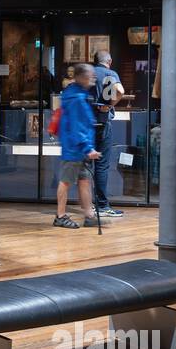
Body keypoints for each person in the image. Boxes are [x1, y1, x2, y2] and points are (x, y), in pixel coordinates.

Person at [54, 62, 102, 229]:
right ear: (82, 77)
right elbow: (78, 127)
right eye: (91, 76)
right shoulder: (77, 99)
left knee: (84, 180)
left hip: (77, 148)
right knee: (66, 181)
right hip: (74, 149)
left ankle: (89, 215)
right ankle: (60, 216)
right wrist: (87, 148)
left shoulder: (77, 94)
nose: (94, 78)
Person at [88, 50, 125, 218]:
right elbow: (120, 90)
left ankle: (88, 205)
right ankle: (102, 206)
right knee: (102, 165)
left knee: (86, 166)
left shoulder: (88, 73)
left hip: (86, 122)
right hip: (102, 122)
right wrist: (110, 105)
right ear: (109, 61)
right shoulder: (110, 73)